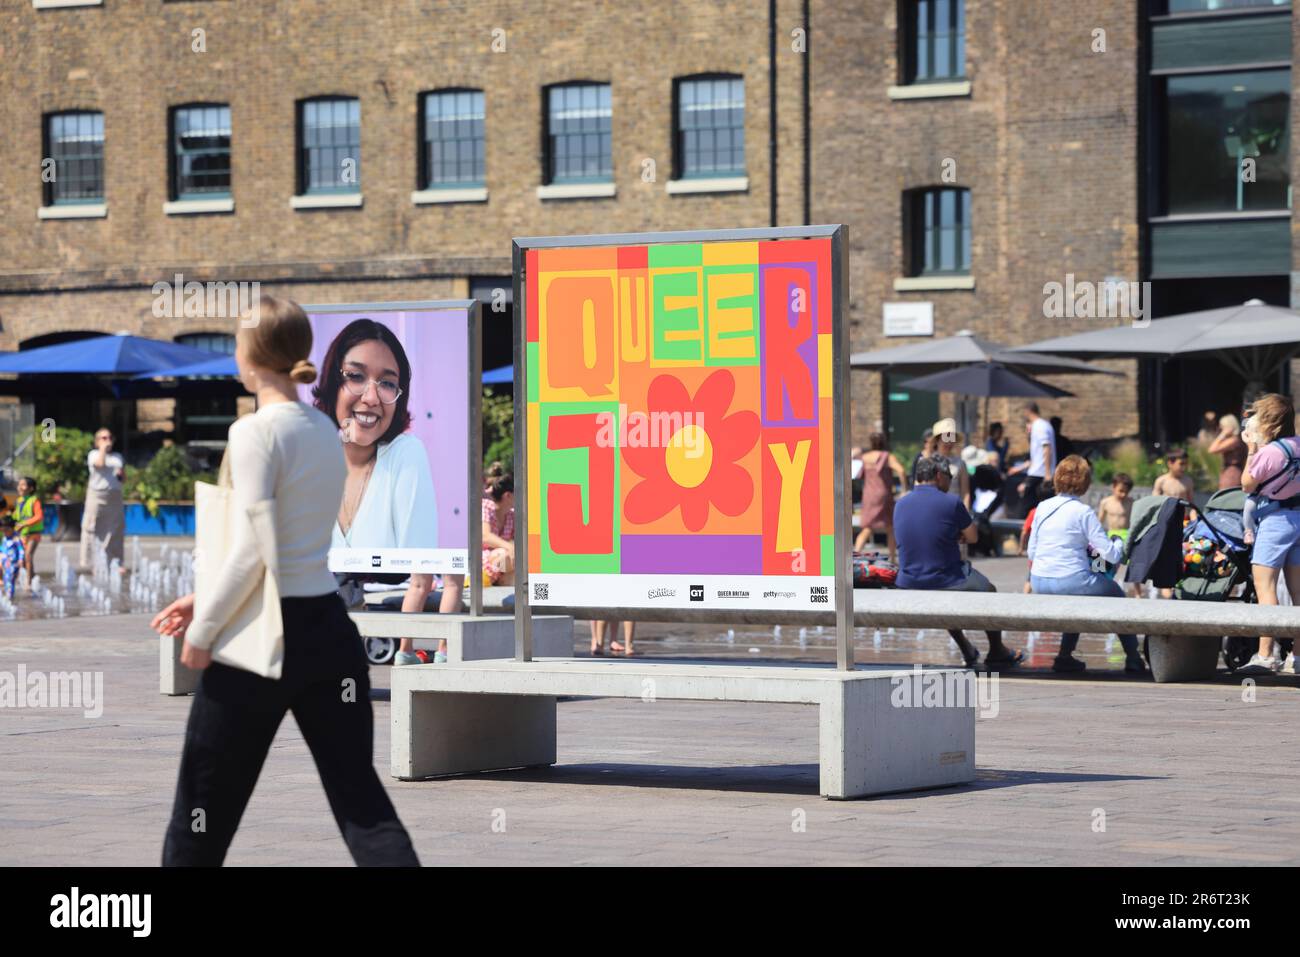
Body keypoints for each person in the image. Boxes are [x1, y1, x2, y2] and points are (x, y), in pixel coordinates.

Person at [150, 294, 419, 866]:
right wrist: (204, 596)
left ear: (247, 357)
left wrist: (204, 630)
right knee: (362, 805)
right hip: (327, 628)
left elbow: (254, 547)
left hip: (261, 641)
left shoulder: (254, 432)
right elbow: (291, 545)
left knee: (201, 810)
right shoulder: (326, 430)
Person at [313, 319, 440, 667]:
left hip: (376, 616)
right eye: (355, 376)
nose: (371, 398)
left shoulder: (406, 454)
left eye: (387, 384)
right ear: (330, 381)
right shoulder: (307, 452)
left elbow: (419, 562)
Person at [894, 454, 1022, 670]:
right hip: (944, 577)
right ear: (938, 475)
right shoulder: (951, 502)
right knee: (988, 590)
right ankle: (997, 650)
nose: (951, 481)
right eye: (949, 476)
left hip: (908, 580)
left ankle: (967, 649)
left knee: (945, 601)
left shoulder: (901, 503)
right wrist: (956, 533)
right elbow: (973, 537)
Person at [1028, 455, 1145, 674]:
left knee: (1078, 599)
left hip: (1039, 581)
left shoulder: (1042, 507)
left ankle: (1064, 657)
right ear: (1085, 482)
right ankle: (1133, 658)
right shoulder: (1083, 512)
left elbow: (1031, 551)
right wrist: (1119, 543)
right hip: (1071, 581)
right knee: (1117, 595)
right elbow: (1109, 554)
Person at [1238, 393, 1300, 676]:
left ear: (1270, 423)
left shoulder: (1269, 452)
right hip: (1298, 517)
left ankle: (1266, 654)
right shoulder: (1297, 446)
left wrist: (1250, 449)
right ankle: (1297, 657)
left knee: (1266, 589)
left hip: (1275, 521)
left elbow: (1247, 484)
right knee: (1298, 593)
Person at [854, 432, 907, 561]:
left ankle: (855, 555)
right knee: (890, 527)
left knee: (867, 527)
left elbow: (853, 456)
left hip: (868, 495)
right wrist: (904, 490)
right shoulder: (887, 456)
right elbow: (901, 470)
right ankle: (893, 558)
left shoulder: (865, 457)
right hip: (884, 495)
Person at [81, 426, 126, 569]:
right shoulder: (94, 454)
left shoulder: (118, 457)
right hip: (97, 494)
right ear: (97, 441)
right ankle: (91, 563)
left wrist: (121, 475)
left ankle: (115, 561)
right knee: (91, 526)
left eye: (110, 438)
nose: (108, 441)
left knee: (115, 529)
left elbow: (122, 478)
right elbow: (100, 465)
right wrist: (102, 449)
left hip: (114, 494)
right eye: (104, 438)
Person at [1096, 473, 1139, 597]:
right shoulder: (1106, 502)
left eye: (1126, 492)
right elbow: (1099, 521)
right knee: (1110, 563)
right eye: (1120, 491)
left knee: (1133, 563)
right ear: (1113, 487)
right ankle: (1107, 586)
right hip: (1112, 534)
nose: (1123, 494)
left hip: (1126, 534)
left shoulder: (1131, 502)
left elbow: (1135, 521)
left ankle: (1137, 592)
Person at [1008, 403, 1055, 514]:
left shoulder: (1039, 426)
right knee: (1031, 506)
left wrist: (1048, 474)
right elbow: (1036, 456)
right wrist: (1019, 468)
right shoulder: (1039, 426)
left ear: (1028, 411)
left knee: (1028, 507)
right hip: (1038, 472)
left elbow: (1047, 448)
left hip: (1040, 473)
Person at [482, 463, 515, 586]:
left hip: (501, 567)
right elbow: (485, 536)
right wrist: (510, 547)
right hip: (480, 564)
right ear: (508, 495)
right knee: (505, 555)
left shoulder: (512, 515)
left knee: (515, 562)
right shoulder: (485, 506)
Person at [930, 418, 971, 510]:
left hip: (954, 510)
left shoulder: (960, 463)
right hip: (933, 510)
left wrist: (965, 514)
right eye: (946, 438)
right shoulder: (928, 462)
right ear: (937, 440)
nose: (949, 442)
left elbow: (965, 493)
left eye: (951, 438)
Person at [12, 476, 44, 586]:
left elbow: (39, 516)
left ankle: (28, 584)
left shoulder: (34, 500)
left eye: (23, 485)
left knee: (28, 555)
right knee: (23, 559)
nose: (19, 487)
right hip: (23, 534)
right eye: (19, 485)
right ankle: (34, 578)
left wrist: (24, 524)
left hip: (34, 534)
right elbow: (15, 517)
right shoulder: (19, 501)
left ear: (31, 489)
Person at [1208, 413, 1249, 490]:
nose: (1220, 428)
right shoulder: (1236, 439)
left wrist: (1222, 434)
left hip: (1231, 473)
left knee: (1225, 498)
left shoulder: (1234, 440)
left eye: (1222, 426)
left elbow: (1212, 449)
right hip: (1230, 471)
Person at [1, 517, 25, 599]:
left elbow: (21, 549)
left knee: (10, 578)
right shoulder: (5, 538)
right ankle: (9, 594)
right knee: (6, 578)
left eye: (6, 530)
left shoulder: (16, 538)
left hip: (13, 563)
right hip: (5, 562)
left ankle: (9, 596)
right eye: (3, 530)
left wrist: (21, 559)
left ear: (12, 528)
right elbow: (3, 548)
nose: (5, 532)